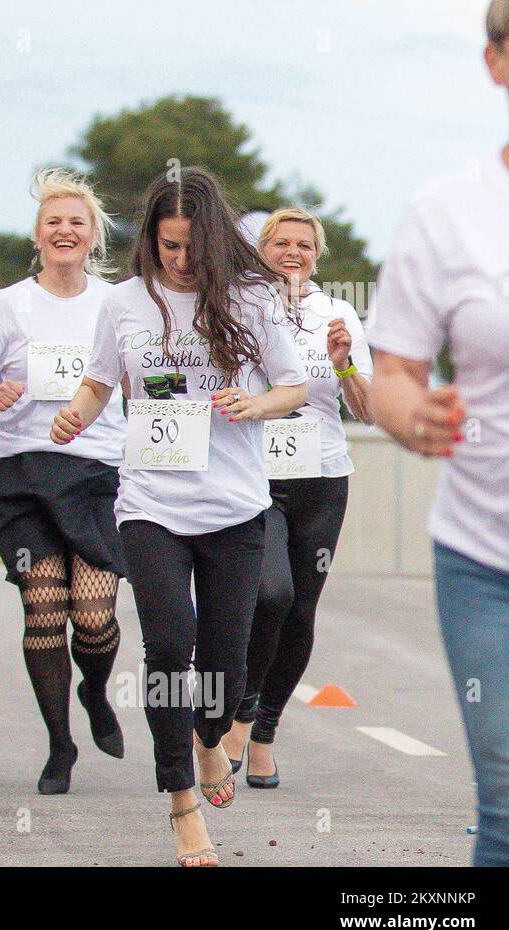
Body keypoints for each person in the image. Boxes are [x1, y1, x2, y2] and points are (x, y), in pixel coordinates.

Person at [52, 167, 307, 866]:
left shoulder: (251, 299)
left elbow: (295, 385)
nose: (181, 261)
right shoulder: (125, 303)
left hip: (233, 507)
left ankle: (209, 740)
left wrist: (256, 405)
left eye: (193, 248)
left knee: (222, 670)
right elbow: (102, 378)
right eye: (168, 247)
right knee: (169, 648)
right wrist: (77, 413)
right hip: (150, 506)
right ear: (150, 242)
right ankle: (180, 801)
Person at [367, 0, 509, 866]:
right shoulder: (449, 212)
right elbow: (394, 373)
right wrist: (407, 416)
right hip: (491, 559)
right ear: (495, 60)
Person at [0, 167, 128, 795]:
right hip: (23, 474)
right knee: (44, 609)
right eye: (53, 222)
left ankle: (97, 689)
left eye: (76, 222)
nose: (64, 231)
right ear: (38, 234)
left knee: (95, 615)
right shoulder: (9, 305)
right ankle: (60, 744)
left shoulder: (117, 302)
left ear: (93, 236)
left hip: (99, 471)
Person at [220, 208, 373, 788]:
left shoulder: (337, 314)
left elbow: (363, 406)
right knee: (270, 594)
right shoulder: (238, 308)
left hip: (322, 477)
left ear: (317, 253)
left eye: (303, 244)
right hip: (255, 476)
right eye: (279, 242)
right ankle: (237, 714)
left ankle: (263, 733)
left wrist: (346, 364)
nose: (292, 252)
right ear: (259, 250)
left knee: (301, 609)